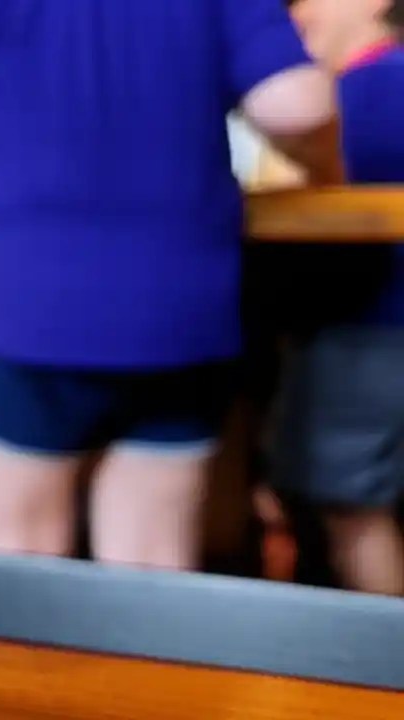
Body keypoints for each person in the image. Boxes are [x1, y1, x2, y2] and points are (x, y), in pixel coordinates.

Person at [0, 0, 343, 570]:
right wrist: (327, 171)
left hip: (25, 301)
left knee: (19, 569)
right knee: (147, 573)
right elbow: (298, 105)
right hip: (179, 310)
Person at [270, 0, 404, 596]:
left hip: (368, 331)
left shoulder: (368, 93)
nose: (296, 10)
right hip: (360, 330)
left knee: (349, 510)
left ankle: (380, 678)